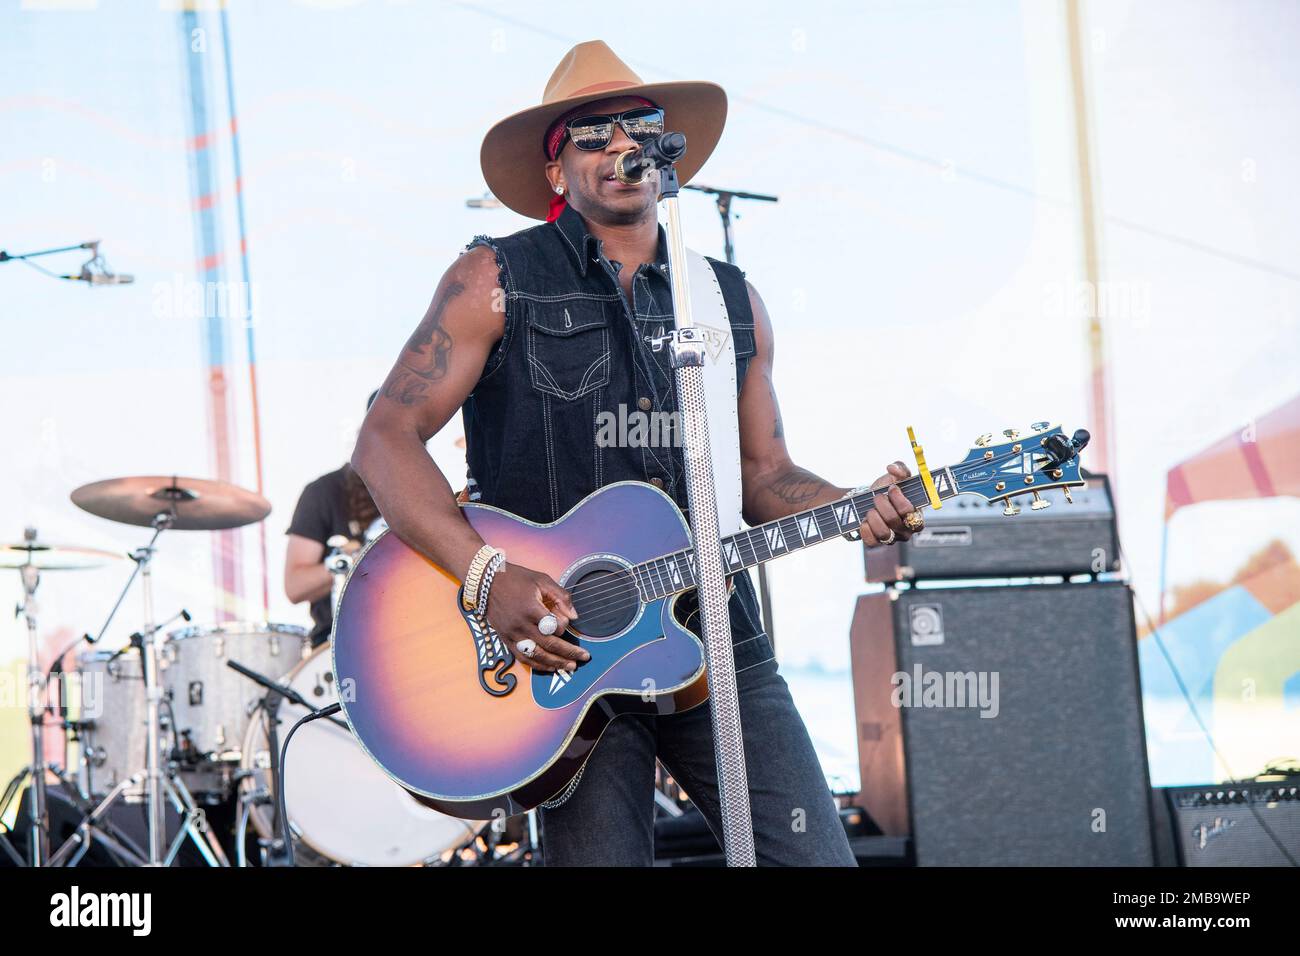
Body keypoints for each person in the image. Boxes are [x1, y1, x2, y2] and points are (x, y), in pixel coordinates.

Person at [352, 41, 922, 866]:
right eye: (594, 131)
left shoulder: (729, 300)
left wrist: (849, 502)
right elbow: (384, 437)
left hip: (713, 627)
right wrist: (487, 577)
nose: (623, 143)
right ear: (557, 170)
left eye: (640, 125)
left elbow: (765, 476)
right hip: (561, 648)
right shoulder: (493, 277)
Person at [285, 390, 383, 648]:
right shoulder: (325, 491)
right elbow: (295, 587)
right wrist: (359, 559)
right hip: (339, 646)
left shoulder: (423, 492)